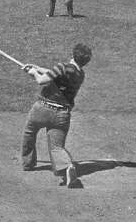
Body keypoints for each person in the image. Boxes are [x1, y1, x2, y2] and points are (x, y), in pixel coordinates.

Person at [20, 43, 92, 189]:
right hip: (62, 115)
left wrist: (33, 73)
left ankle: (28, 163)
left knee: (29, 132)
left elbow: (41, 80)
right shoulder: (80, 74)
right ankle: (68, 166)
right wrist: (38, 68)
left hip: (42, 110)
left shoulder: (62, 67)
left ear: (73, 54)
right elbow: (55, 75)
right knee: (56, 147)